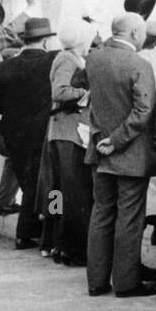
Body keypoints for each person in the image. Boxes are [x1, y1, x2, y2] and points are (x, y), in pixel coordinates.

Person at [84, 12, 156, 297]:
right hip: (129, 154)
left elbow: (95, 103)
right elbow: (144, 110)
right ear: (134, 33)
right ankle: (126, 283)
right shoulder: (139, 64)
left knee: (101, 214)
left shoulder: (93, 59)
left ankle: (96, 281)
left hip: (99, 151)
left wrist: (103, 139)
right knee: (129, 218)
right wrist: (117, 140)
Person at [0, 18, 58, 249]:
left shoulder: (5, 67)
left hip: (14, 134)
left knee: (27, 182)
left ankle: (29, 232)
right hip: (42, 132)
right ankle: (34, 233)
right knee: (49, 185)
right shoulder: (51, 61)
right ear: (45, 41)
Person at [44, 19, 97, 267]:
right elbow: (59, 91)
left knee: (58, 192)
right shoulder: (68, 59)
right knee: (74, 193)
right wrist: (86, 94)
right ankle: (72, 249)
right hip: (70, 133)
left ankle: (56, 241)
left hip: (59, 132)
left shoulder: (63, 57)